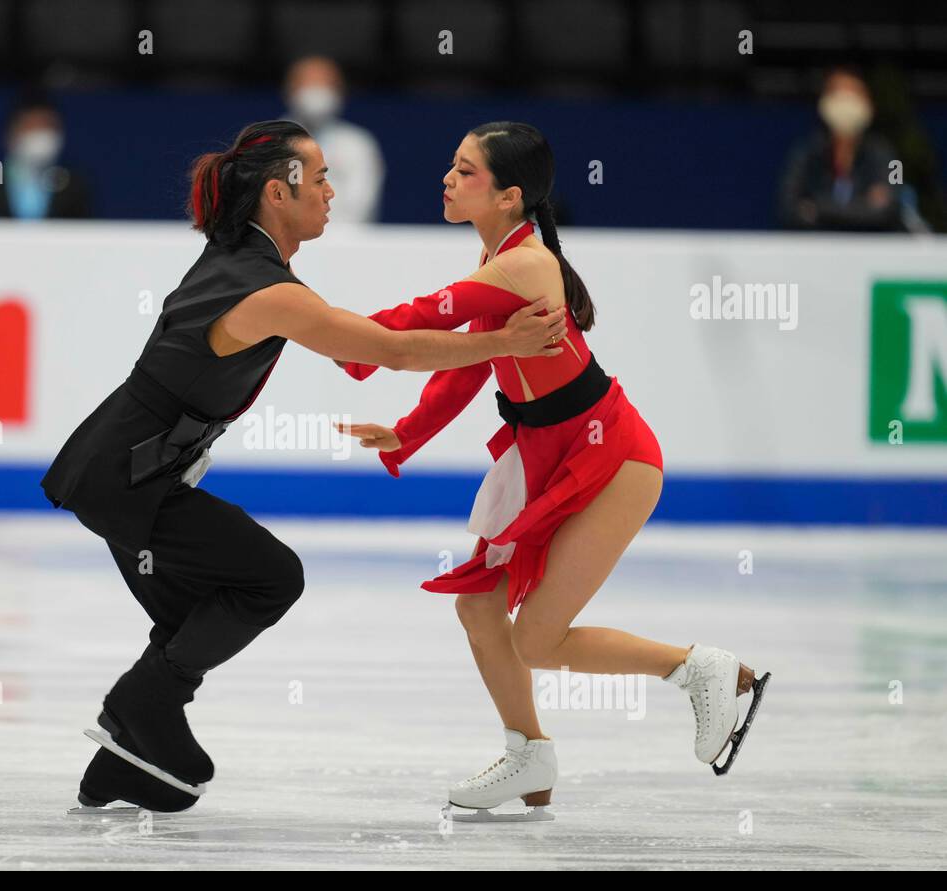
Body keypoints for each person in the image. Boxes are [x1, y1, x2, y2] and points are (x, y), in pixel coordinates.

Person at [41, 119, 562, 813]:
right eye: (318, 179)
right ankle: (138, 702)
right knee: (271, 577)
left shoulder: (249, 262)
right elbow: (391, 352)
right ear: (276, 194)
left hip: (132, 468)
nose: (330, 192)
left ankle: (119, 766)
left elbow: (370, 347)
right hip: (127, 475)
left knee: (198, 612)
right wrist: (504, 340)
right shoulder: (266, 289)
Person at [335, 122, 770, 821]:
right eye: (452, 165)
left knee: (536, 635)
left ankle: (697, 668)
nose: (447, 178)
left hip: (612, 459)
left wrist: (338, 336)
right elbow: (470, 362)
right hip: (546, 453)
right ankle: (529, 753)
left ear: (510, 196)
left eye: (465, 171)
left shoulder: (523, 266)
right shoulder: (498, 253)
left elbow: (421, 329)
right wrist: (407, 431)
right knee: (479, 606)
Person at [779, 67, 903, 231]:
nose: (846, 103)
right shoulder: (805, 153)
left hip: (871, 250)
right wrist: (865, 205)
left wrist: (817, 207)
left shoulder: (889, 156)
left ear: (868, 102)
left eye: (853, 94)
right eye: (838, 94)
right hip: (816, 249)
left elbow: (891, 207)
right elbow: (788, 209)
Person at [283, 56, 384, 223]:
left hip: (343, 241)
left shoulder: (358, 143)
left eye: (325, 84)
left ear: (340, 92)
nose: (316, 92)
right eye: (308, 84)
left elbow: (362, 202)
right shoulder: (268, 141)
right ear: (290, 90)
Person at [0, 95, 92, 219]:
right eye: (31, 126)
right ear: (11, 134)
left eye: (47, 127)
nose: (40, 135)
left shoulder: (75, 185)